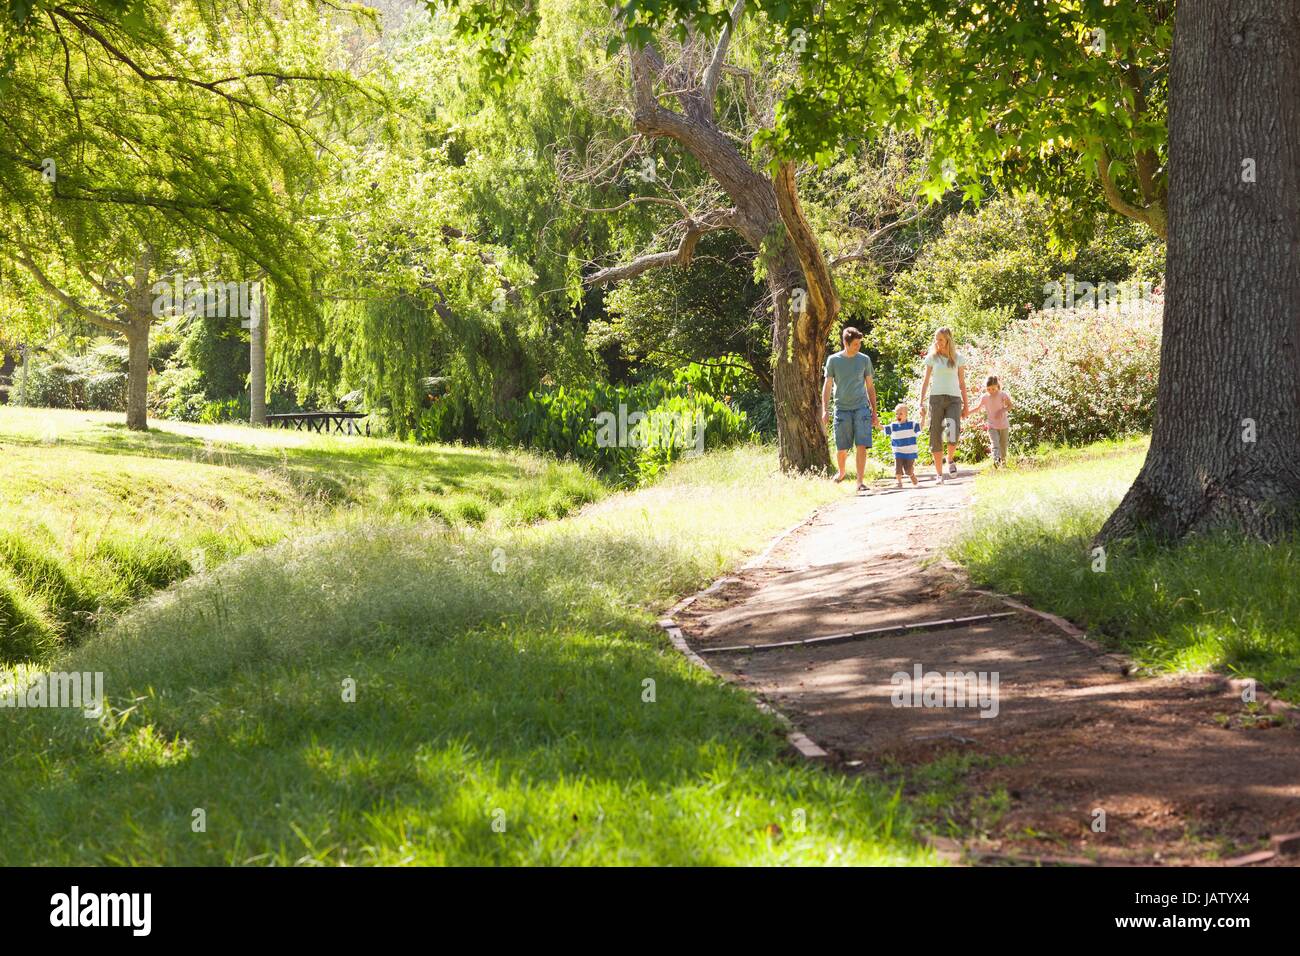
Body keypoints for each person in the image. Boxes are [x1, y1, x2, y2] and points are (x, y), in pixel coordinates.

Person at [820, 326, 879, 492]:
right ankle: (842, 472)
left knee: (862, 444)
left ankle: (860, 482)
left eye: (859, 344)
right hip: (842, 409)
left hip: (861, 407)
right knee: (842, 448)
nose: (858, 347)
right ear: (846, 343)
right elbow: (827, 386)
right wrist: (825, 409)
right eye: (855, 344)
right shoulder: (833, 360)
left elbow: (870, 386)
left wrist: (874, 412)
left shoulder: (864, 359)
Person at [918, 326, 968, 485]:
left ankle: (950, 458)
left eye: (940, 339)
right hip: (936, 399)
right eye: (936, 339)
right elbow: (926, 381)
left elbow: (962, 383)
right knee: (935, 435)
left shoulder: (958, 358)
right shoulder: (932, 358)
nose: (937, 342)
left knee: (953, 431)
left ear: (948, 340)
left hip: (954, 399)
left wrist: (966, 405)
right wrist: (920, 402)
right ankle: (939, 475)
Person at [965, 375, 1013, 467]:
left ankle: (1003, 464)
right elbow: (978, 408)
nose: (991, 391)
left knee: (1003, 446)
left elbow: (1010, 406)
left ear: (997, 386)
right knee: (995, 444)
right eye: (988, 389)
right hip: (992, 426)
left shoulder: (1002, 395)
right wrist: (967, 413)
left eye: (993, 389)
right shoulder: (985, 397)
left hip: (1003, 425)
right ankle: (996, 460)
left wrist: (1002, 410)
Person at [883, 403, 922, 488]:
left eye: (901, 414)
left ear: (906, 415)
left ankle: (911, 474)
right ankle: (899, 482)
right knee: (898, 467)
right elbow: (884, 428)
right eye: (896, 414)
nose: (898, 415)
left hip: (910, 452)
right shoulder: (893, 426)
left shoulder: (912, 425)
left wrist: (923, 417)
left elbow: (921, 427)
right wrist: (876, 424)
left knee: (908, 470)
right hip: (898, 451)